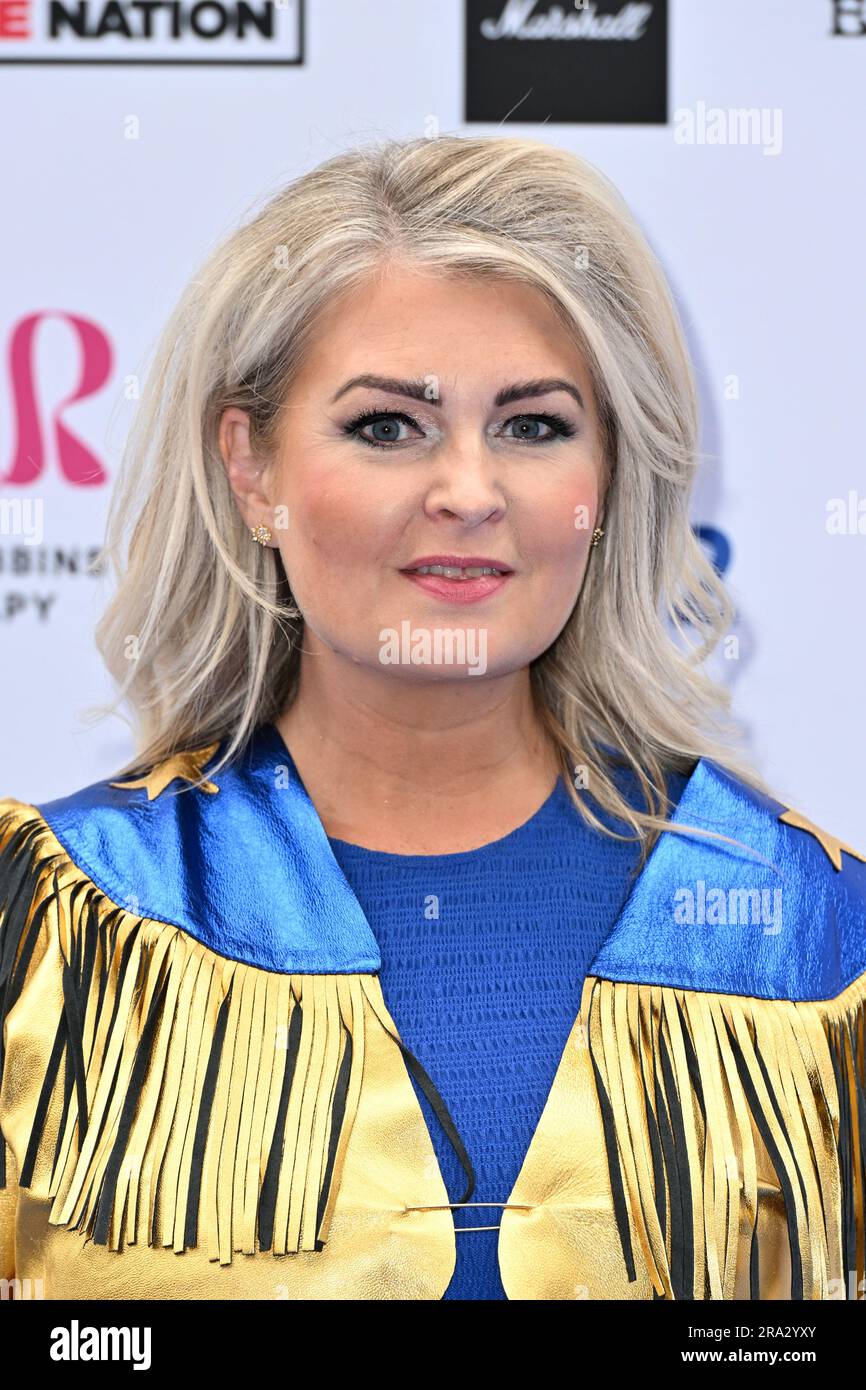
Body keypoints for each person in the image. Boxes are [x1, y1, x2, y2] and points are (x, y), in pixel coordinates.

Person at [1, 134, 864, 1301]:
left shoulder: (816, 942)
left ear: (604, 481)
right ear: (251, 469)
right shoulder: (53, 928)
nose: (467, 489)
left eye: (532, 425)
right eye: (386, 427)